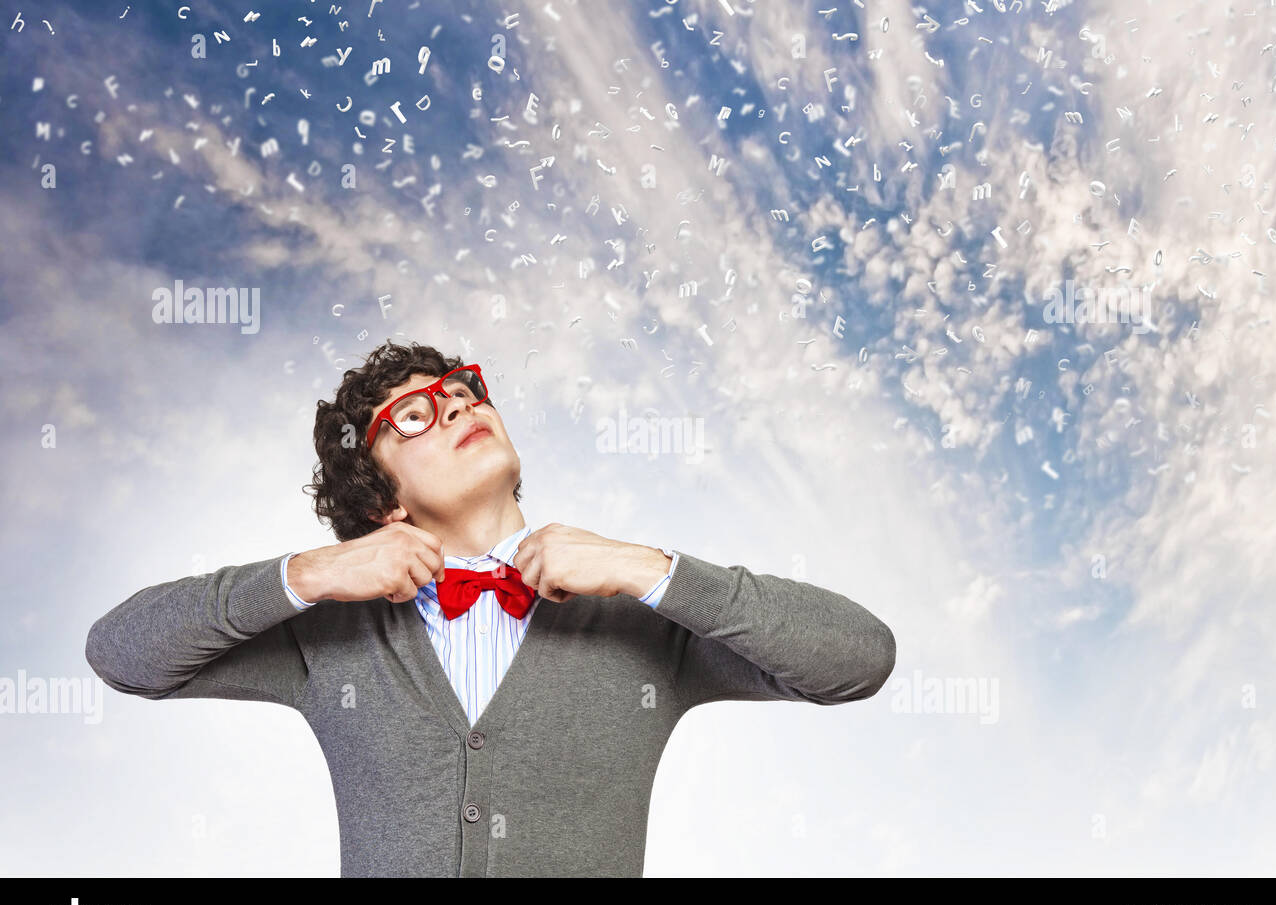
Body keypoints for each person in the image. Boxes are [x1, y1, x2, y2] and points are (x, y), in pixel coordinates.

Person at [86, 339, 897, 876]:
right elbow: (121, 653)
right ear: (382, 502)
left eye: (463, 391)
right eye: (414, 416)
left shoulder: (640, 617)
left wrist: (651, 568)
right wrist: (310, 573)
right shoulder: (330, 636)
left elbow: (859, 659)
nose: (459, 407)